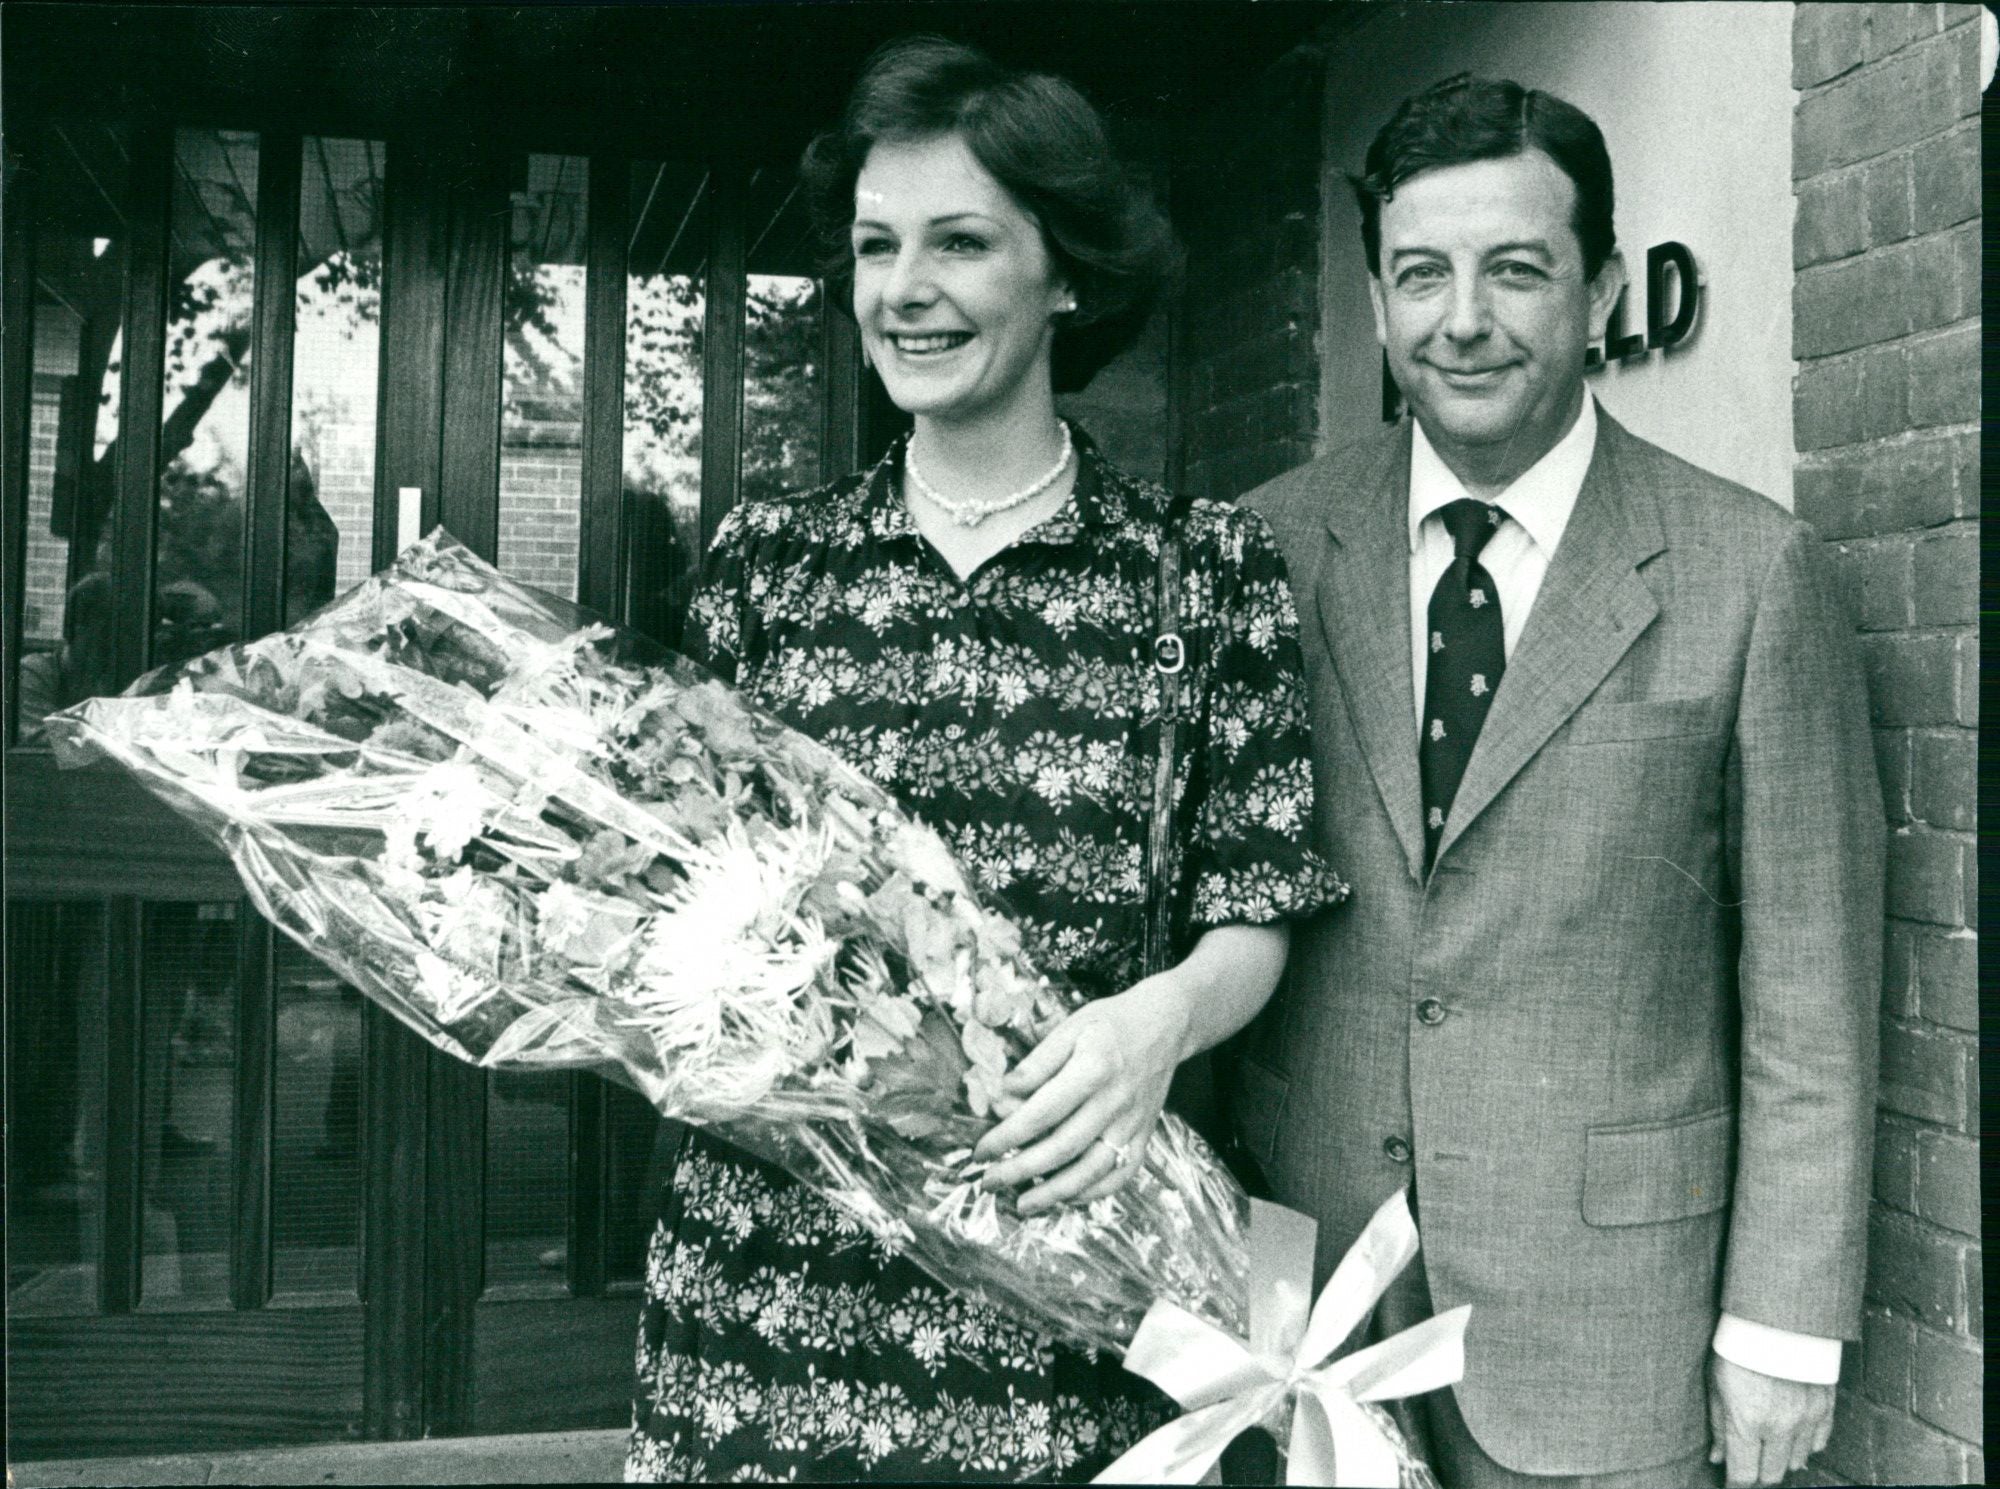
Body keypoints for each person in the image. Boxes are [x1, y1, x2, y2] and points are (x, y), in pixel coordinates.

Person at [624, 36, 1345, 1483]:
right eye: (877, 245)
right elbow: (662, 904)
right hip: (773, 1291)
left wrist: (1156, 1028)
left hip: (1079, 1285)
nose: (904, 288)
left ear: (1067, 273)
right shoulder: (769, 571)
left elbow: (1258, 901)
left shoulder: (1199, 574)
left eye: (961, 241)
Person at [1236, 74, 1880, 1489]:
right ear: (1378, 298)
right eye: (1422, 274)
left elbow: (1809, 996)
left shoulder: (1751, 574)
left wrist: (1786, 1325)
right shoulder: (1262, 551)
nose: (1463, 318)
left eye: (1516, 270)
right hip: (1309, 1311)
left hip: (1612, 1333)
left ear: (1596, 292)